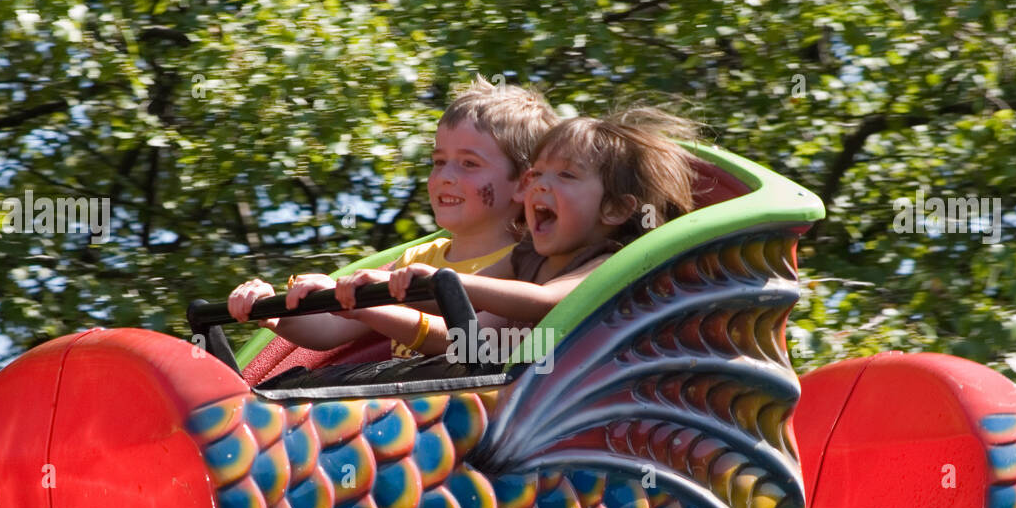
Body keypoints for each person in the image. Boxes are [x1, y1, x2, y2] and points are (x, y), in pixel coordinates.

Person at [324, 107, 702, 356]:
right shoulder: (527, 256)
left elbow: (546, 301)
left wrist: (447, 281)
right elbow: (462, 318)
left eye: (565, 175)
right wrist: (377, 296)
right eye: (536, 173)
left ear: (616, 208)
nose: (538, 185)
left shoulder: (609, 263)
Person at [227, 76, 557, 357]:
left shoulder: (525, 266)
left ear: (523, 184)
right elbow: (330, 330)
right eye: (439, 161)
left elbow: (465, 341)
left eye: (469, 164)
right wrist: (275, 313)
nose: (444, 176)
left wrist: (366, 308)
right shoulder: (418, 259)